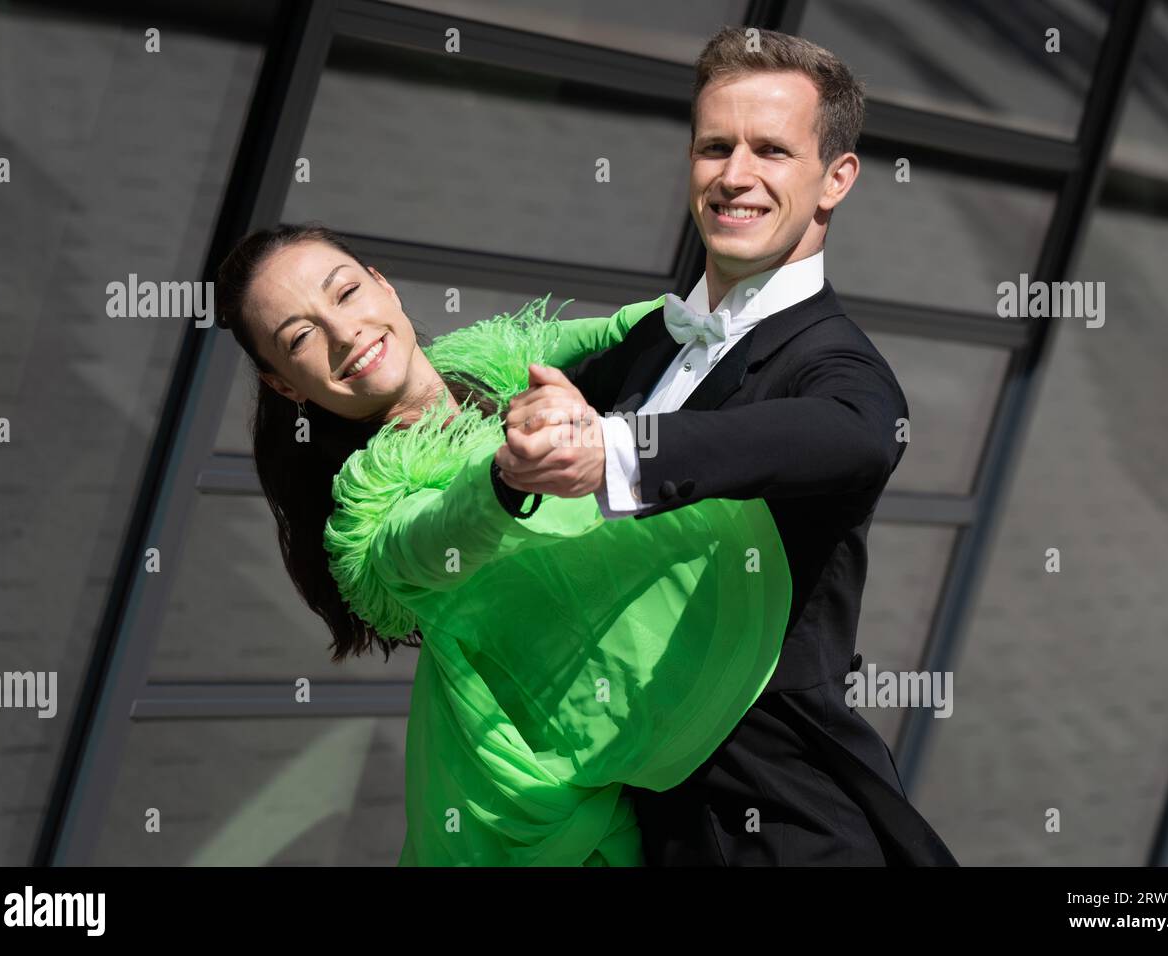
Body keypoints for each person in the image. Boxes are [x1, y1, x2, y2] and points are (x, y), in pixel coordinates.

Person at [495, 27, 958, 865]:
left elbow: (853, 433)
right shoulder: (649, 347)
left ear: (835, 179)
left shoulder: (837, 365)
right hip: (634, 811)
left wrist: (619, 451)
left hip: (781, 819)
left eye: (771, 151)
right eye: (716, 147)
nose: (734, 175)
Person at [214, 222, 798, 865]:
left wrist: (738, 276)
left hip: (714, 713)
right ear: (284, 385)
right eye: (300, 337)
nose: (345, 332)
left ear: (383, 285)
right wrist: (501, 479)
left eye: (347, 292)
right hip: (541, 813)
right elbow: (425, 544)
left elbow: (641, 328)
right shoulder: (369, 501)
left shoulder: (491, 358)